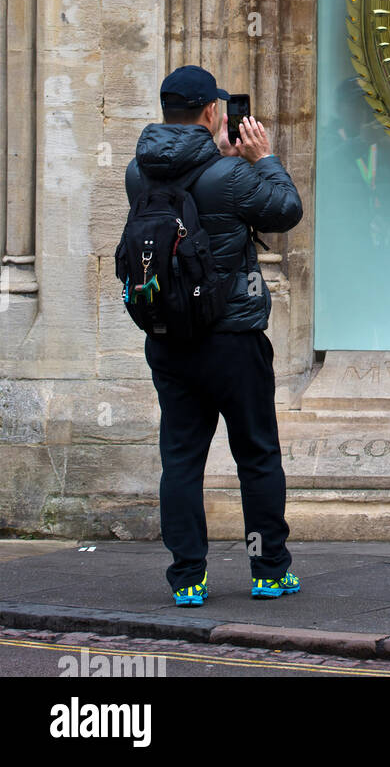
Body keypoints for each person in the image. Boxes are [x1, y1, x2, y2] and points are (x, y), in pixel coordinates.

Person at [125, 66, 304, 606]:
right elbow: (286, 211)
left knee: (180, 459)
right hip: (232, 339)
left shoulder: (138, 172)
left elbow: (194, 190)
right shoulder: (232, 176)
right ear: (211, 113)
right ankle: (269, 570)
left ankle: (187, 579)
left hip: (169, 339)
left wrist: (223, 160)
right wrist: (263, 159)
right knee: (256, 454)